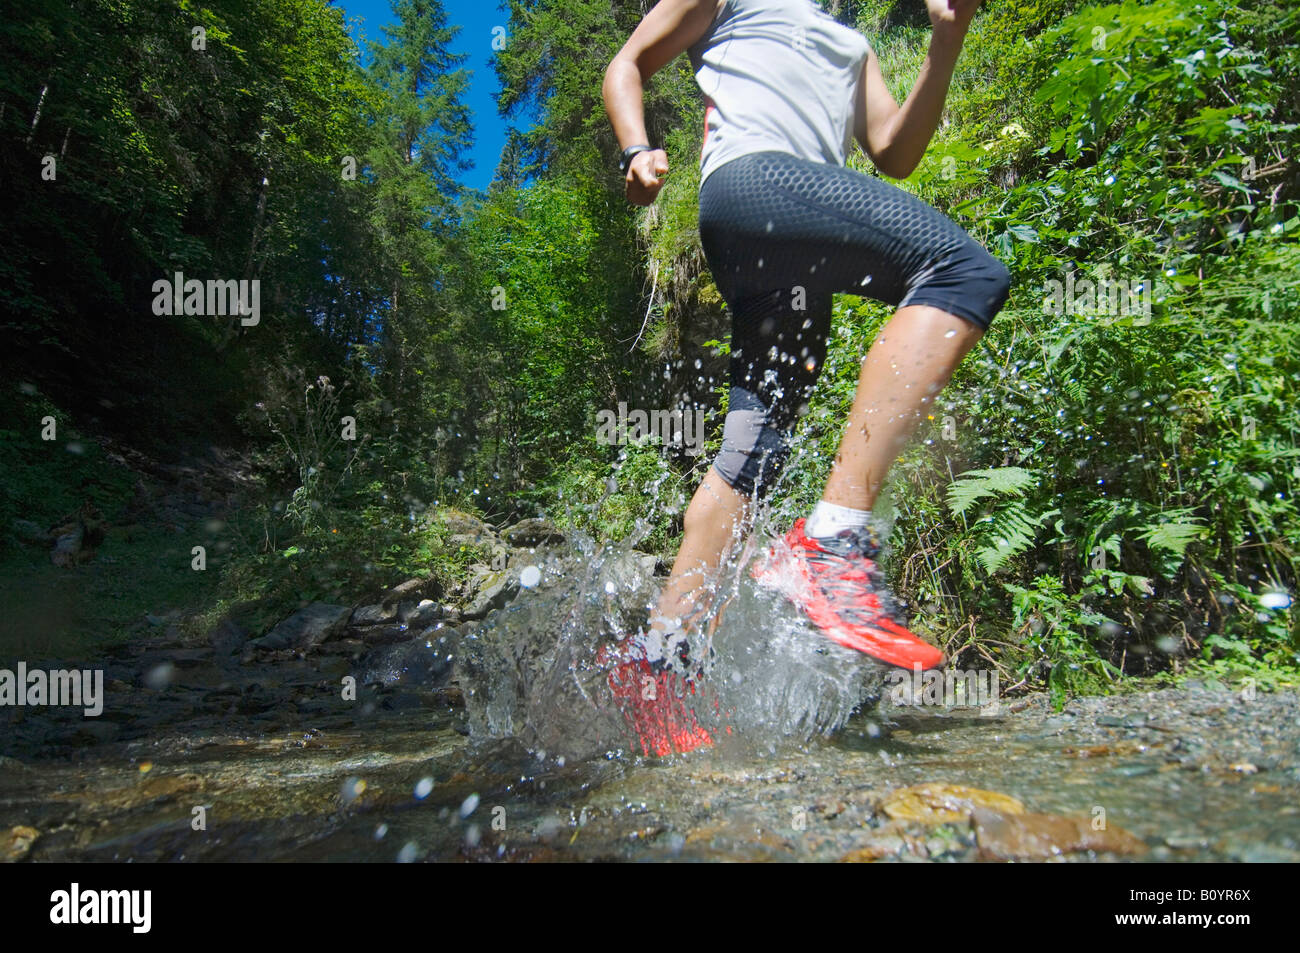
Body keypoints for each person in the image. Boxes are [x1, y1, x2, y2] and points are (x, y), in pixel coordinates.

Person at [599, 0, 1008, 754]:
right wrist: (636, 147)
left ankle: (658, 664)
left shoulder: (852, 44)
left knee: (750, 459)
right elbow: (626, 64)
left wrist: (947, 42)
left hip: (788, 253)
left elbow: (895, 150)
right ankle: (834, 543)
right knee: (961, 272)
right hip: (755, 188)